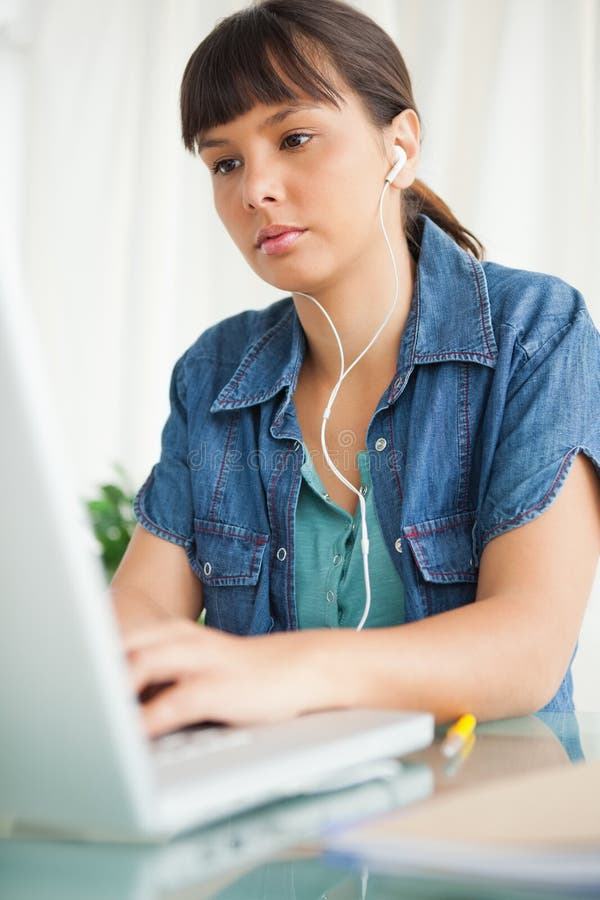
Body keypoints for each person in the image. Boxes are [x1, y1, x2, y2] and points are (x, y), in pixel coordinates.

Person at [111, 0, 600, 738]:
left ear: (398, 144)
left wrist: (287, 672)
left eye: (296, 138)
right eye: (225, 162)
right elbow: (136, 619)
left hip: (482, 824)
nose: (255, 190)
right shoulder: (213, 375)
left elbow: (527, 648)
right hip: (274, 825)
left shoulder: (534, 332)